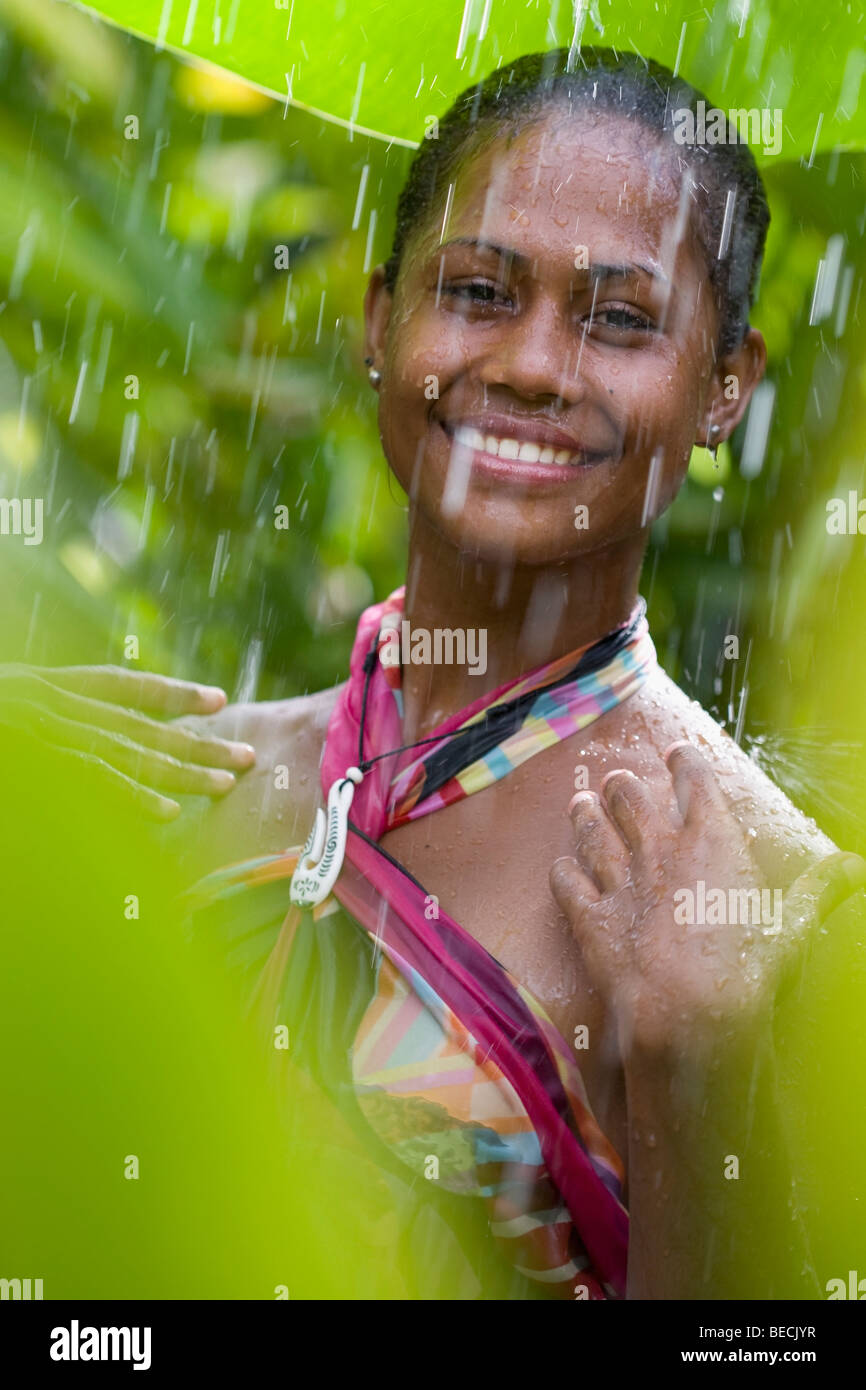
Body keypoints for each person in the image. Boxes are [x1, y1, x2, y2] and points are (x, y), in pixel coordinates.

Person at [6, 47, 864, 1299]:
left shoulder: (776, 914)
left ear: (724, 388)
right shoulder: (166, 777)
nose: (528, 364)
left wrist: (694, 1078)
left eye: (617, 319)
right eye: (475, 291)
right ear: (378, 321)